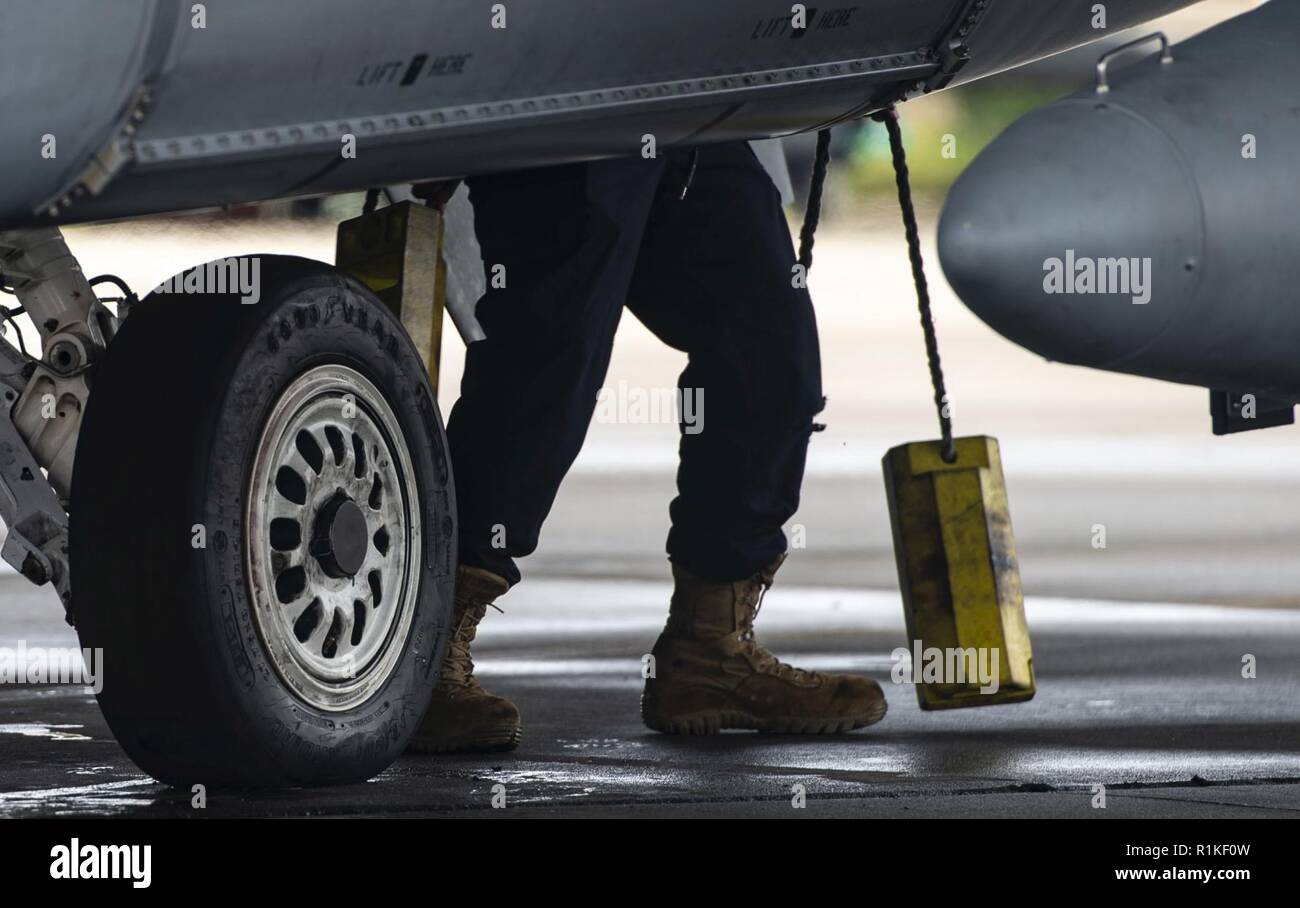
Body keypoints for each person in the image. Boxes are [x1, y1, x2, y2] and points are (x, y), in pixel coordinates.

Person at [408, 141, 886, 754]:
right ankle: (425, 650)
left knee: (769, 348)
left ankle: (710, 650)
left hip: (693, 118)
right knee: (549, 360)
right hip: (578, 114)